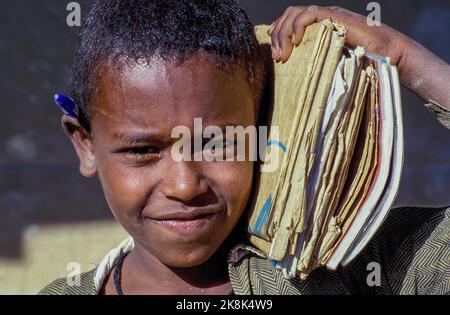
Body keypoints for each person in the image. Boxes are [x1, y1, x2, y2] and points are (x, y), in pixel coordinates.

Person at [39, 1, 450, 295]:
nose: (184, 186)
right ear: (85, 145)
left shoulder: (349, 267)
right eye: (142, 151)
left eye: (217, 143)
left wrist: (399, 56)